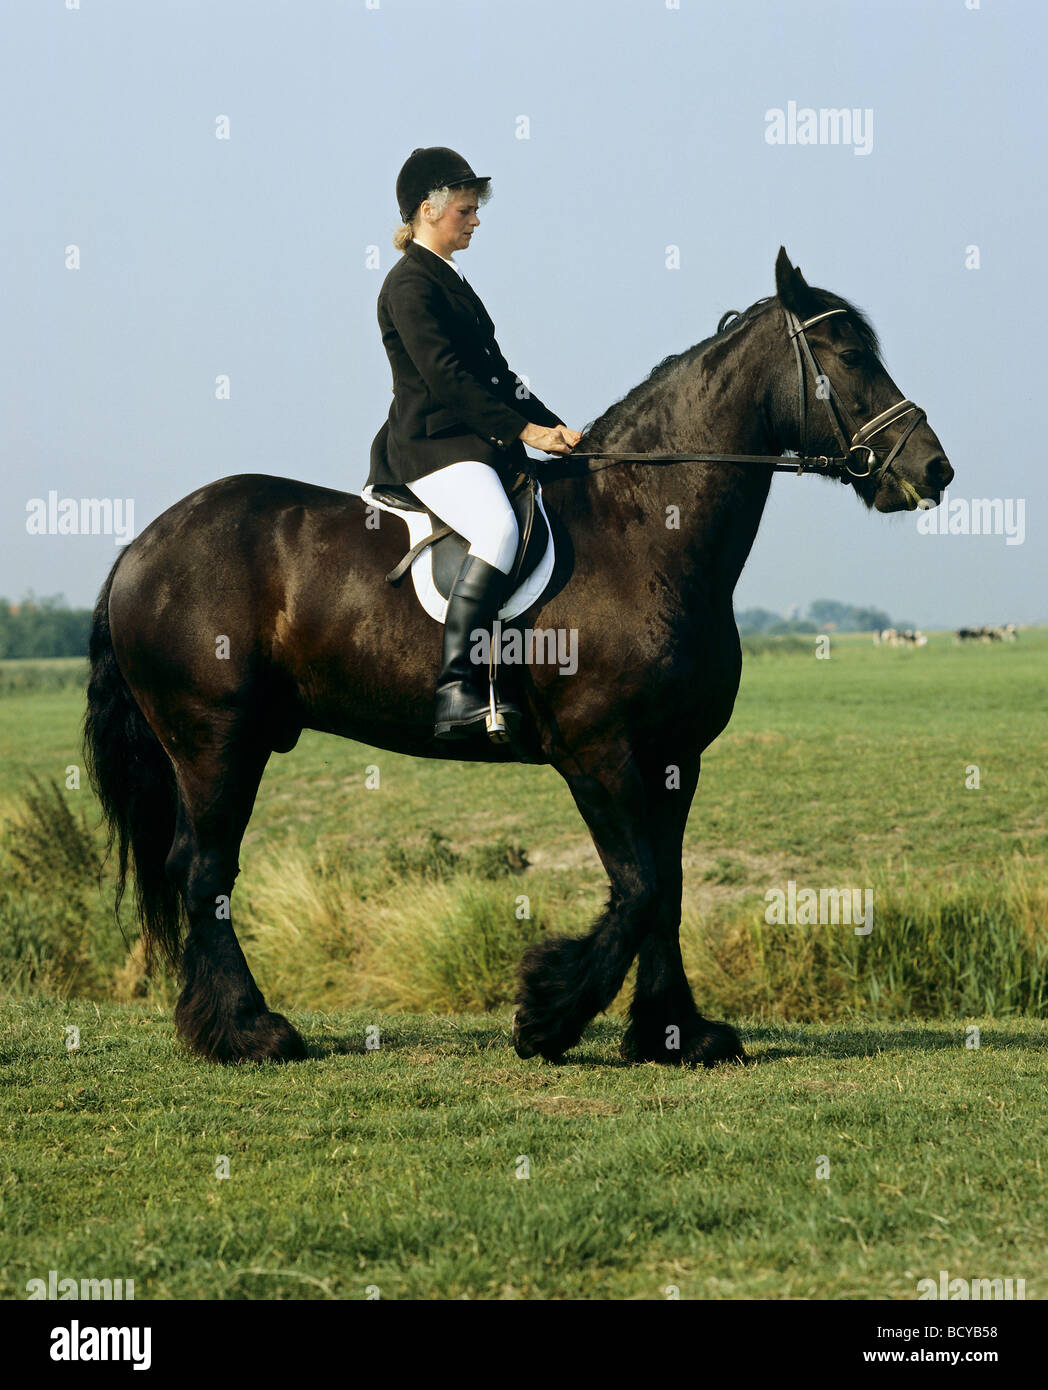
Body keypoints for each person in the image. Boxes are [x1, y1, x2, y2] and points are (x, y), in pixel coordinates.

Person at [367, 146, 581, 739]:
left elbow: (499, 378)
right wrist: (523, 431)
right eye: (466, 210)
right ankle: (457, 686)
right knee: (498, 530)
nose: (475, 220)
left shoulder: (451, 282)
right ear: (429, 209)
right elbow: (447, 379)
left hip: (474, 441)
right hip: (433, 446)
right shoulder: (409, 285)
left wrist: (555, 427)